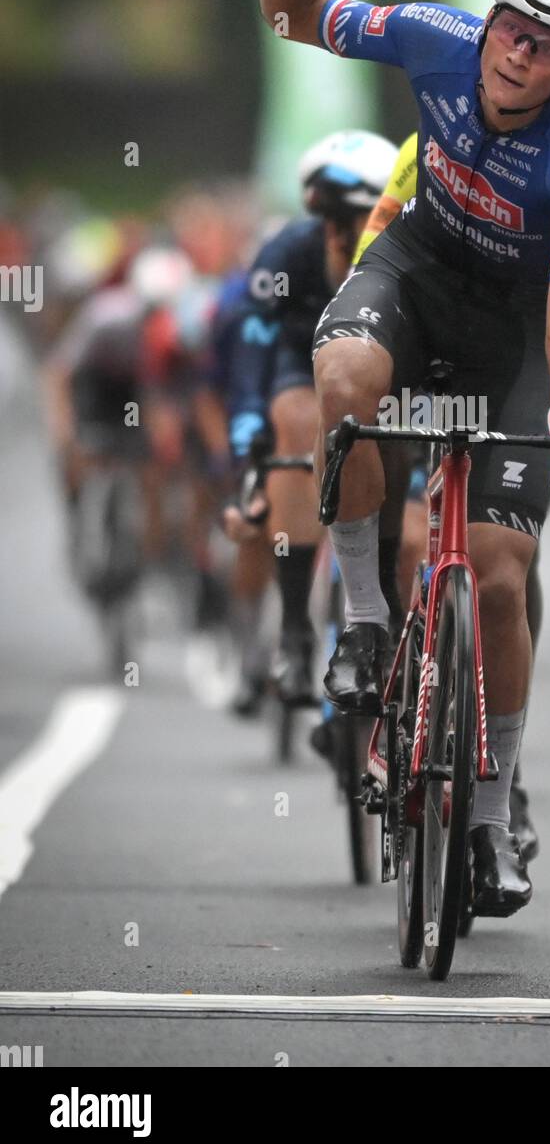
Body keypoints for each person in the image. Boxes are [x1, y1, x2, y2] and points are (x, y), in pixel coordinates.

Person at [257, 0, 550, 917]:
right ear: (491, 19)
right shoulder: (436, 35)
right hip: (417, 272)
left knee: (501, 580)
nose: (515, 50)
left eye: (544, 46)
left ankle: (491, 809)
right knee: (340, 380)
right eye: (510, 26)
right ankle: (365, 622)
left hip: (520, 323)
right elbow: (296, 12)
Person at [221, 129, 398, 714]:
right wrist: (248, 431)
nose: (337, 240)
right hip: (302, 370)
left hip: (391, 376)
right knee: (300, 419)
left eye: (353, 225)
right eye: (328, 223)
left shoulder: (405, 251)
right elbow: (252, 344)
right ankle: (296, 627)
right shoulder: (287, 254)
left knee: (417, 523)